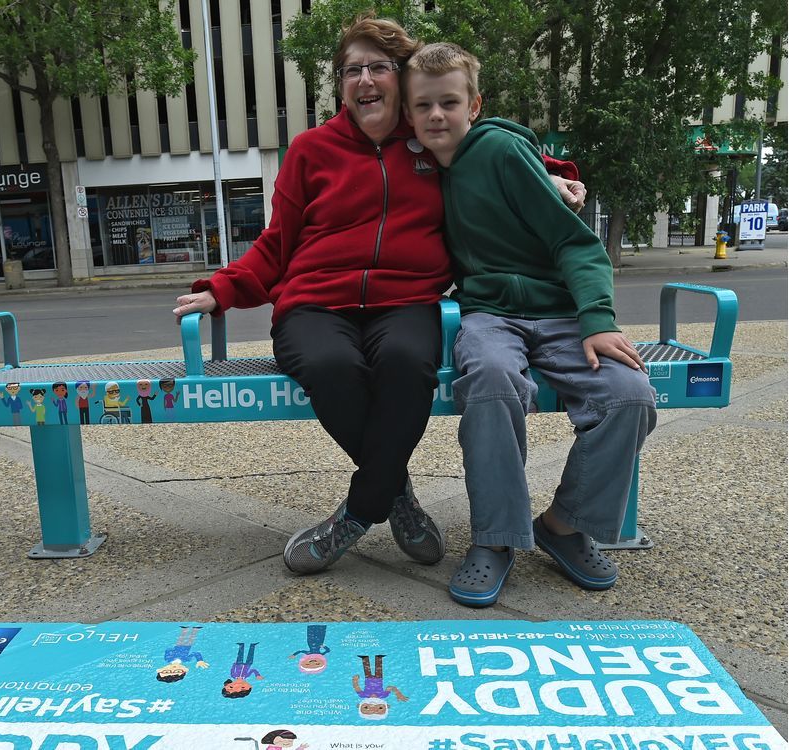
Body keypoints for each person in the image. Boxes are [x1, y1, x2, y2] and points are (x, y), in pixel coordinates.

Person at [174, 13, 584, 576]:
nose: (364, 80)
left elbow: (497, 150)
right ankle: (393, 496)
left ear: (402, 79)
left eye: (379, 67)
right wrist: (224, 288)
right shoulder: (310, 150)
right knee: (329, 364)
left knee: (405, 361)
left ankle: (356, 511)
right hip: (316, 302)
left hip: (404, 300)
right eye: (351, 70)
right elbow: (277, 241)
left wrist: (553, 174)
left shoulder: (427, 139)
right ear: (340, 84)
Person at [402, 42, 657, 608]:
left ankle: (564, 524)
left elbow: (576, 243)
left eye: (449, 102)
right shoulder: (413, 164)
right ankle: (495, 539)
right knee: (490, 380)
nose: (436, 115)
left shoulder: (498, 152)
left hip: (561, 313)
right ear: (409, 114)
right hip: (490, 316)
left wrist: (596, 318)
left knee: (630, 394)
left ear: (474, 105)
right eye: (423, 106)